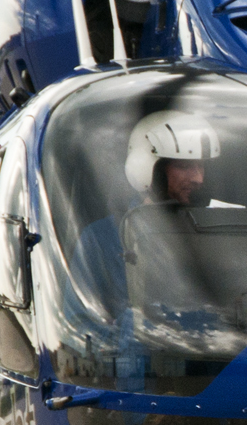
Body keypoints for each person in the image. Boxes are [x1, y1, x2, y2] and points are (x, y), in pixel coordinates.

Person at [70, 110, 222, 314]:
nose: (198, 179)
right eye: (184, 166)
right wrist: (138, 324)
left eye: (201, 166)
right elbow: (79, 321)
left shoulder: (219, 231)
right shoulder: (100, 240)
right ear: (147, 168)